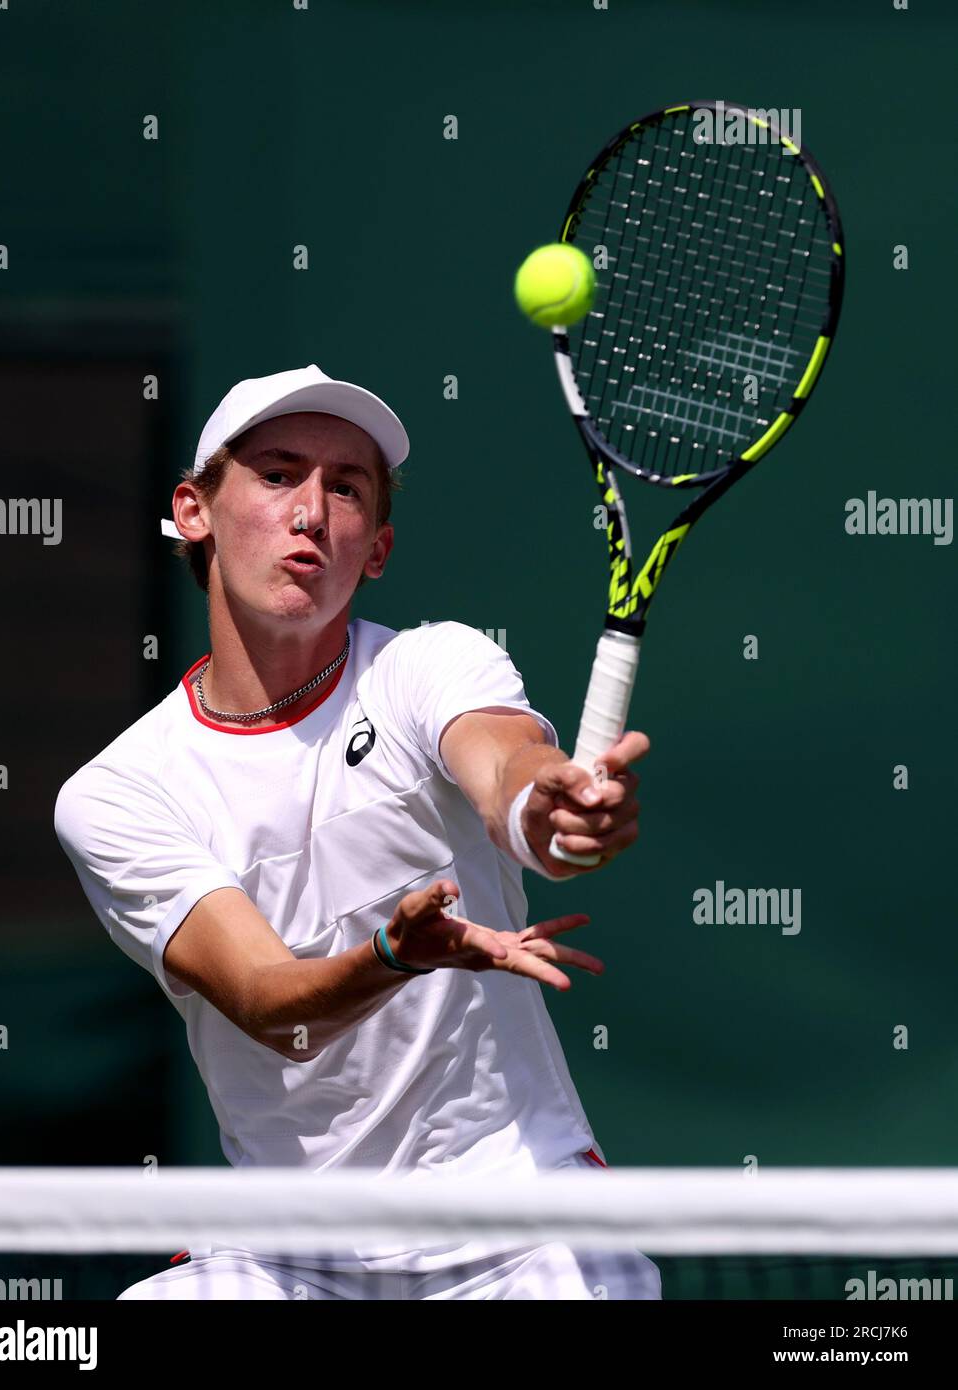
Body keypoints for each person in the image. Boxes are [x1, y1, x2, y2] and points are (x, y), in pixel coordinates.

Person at [54, 364, 658, 1300]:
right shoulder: (120, 793)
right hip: (286, 1253)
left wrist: (556, 815)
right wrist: (394, 955)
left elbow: (506, 771)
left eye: (346, 488)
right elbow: (267, 1000)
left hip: (518, 1218)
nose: (312, 512)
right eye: (278, 473)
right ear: (195, 509)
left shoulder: (429, 666)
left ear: (374, 548)